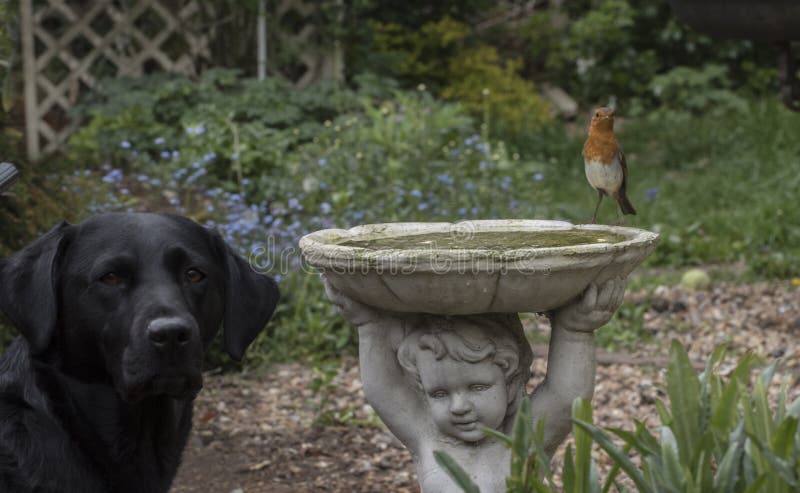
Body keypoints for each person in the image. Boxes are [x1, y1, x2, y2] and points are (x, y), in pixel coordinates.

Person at [324, 277, 624, 493]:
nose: (459, 407)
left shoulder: (524, 437)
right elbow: (384, 390)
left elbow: (565, 395)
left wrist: (574, 331)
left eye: (478, 388)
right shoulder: (429, 436)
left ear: (510, 381)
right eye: (439, 393)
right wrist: (369, 327)